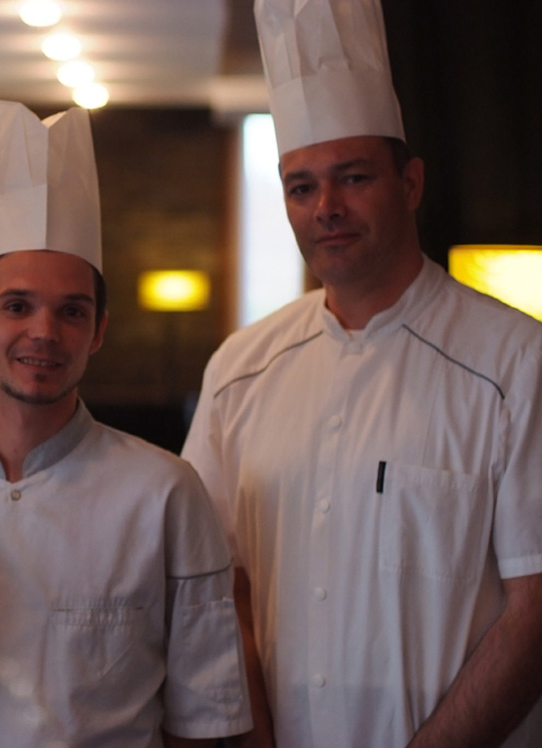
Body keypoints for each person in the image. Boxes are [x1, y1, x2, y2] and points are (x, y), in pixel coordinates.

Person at [181, 1, 542, 746]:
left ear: (409, 183)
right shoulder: (239, 371)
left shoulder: (516, 361)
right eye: (301, 186)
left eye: (353, 178)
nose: (327, 208)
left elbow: (535, 606)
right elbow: (221, 591)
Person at [0, 100, 252, 747]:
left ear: (99, 330)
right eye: (17, 305)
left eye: (71, 311)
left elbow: (206, 724)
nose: (44, 333)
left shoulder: (165, 492)